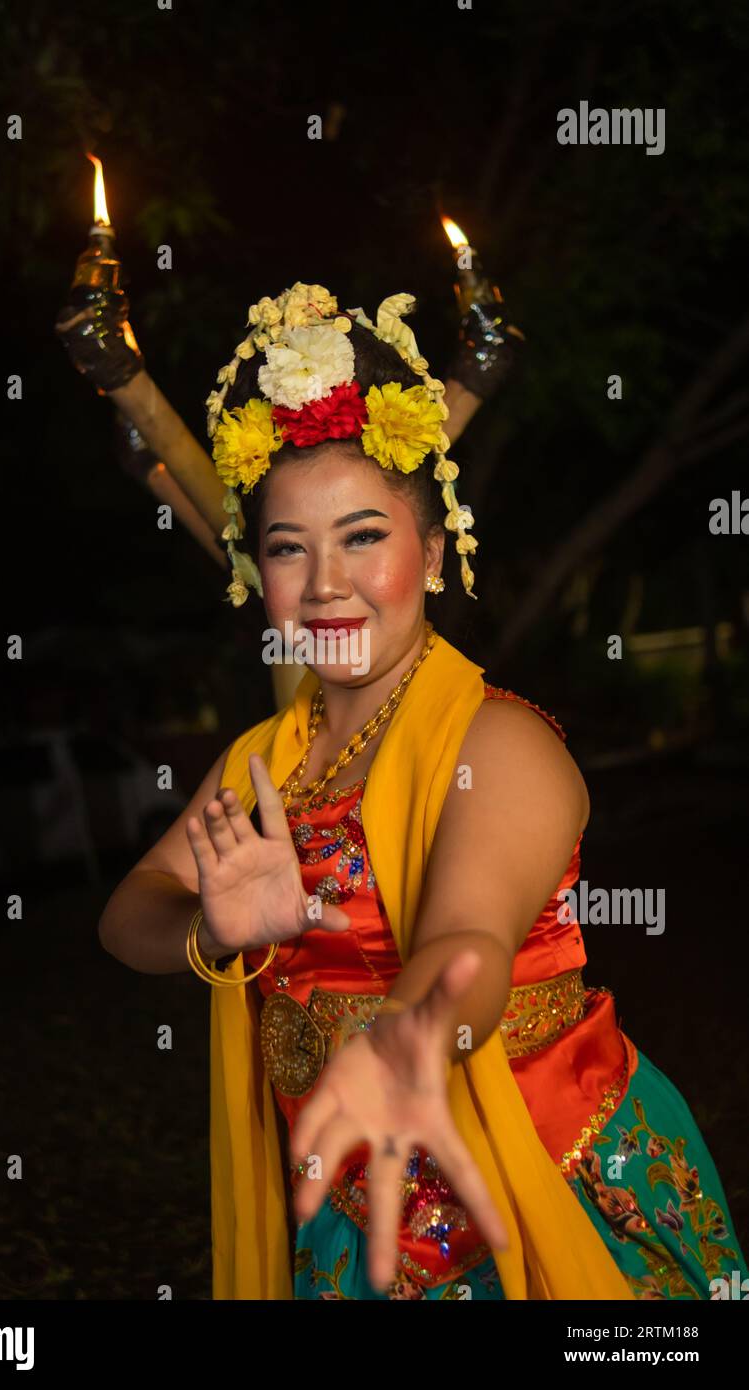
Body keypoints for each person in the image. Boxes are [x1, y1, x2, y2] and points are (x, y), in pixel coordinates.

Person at [95, 283, 747, 1301]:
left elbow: (466, 946)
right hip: (344, 1208)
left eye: (362, 536)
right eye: (285, 548)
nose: (323, 584)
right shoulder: (260, 762)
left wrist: (404, 1039)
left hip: (531, 1176)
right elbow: (129, 915)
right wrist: (209, 933)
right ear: (254, 573)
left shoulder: (501, 741)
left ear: (432, 553)